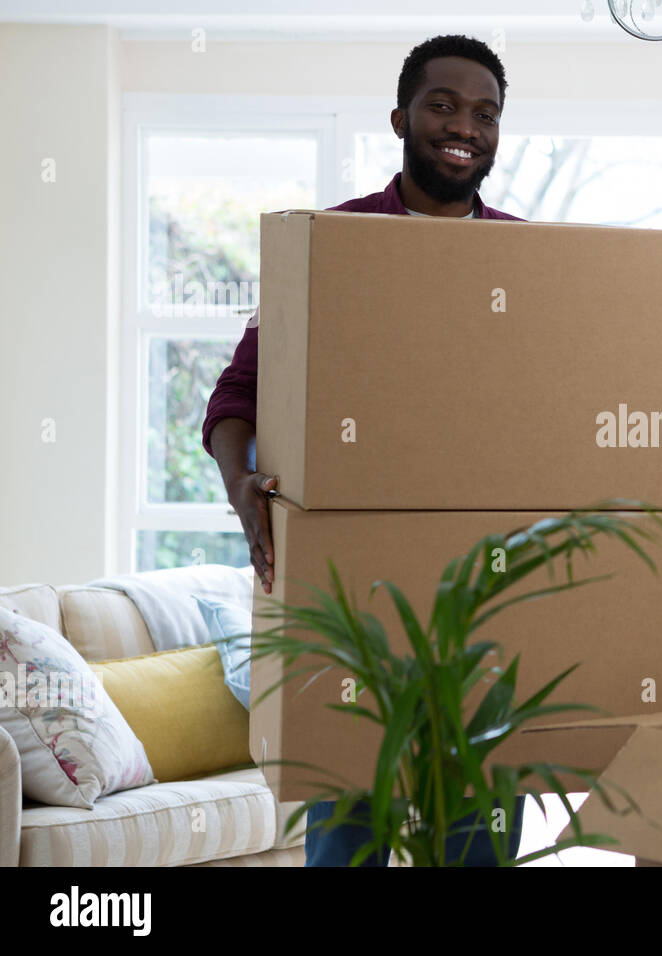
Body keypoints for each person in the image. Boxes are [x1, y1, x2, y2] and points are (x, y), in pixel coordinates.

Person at [203, 34, 525, 867]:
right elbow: (237, 398)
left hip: (487, 611)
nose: (466, 127)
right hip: (353, 613)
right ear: (401, 118)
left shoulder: (534, 262)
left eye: (485, 113)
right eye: (444, 106)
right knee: (347, 848)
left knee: (477, 853)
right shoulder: (322, 246)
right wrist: (243, 486)